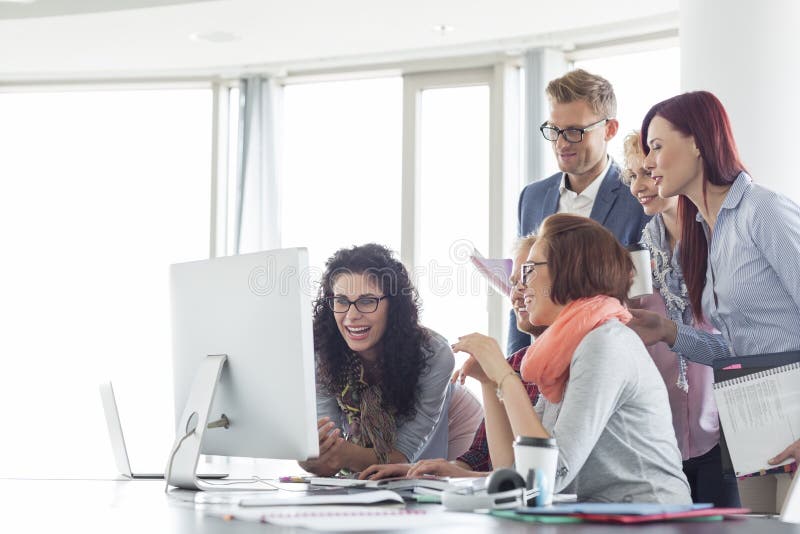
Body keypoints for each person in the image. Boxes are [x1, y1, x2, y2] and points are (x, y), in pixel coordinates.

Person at [630, 90, 800, 511]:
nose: (647, 164)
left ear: (698, 143)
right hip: (753, 415)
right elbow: (735, 349)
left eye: (655, 147)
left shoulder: (762, 210)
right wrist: (668, 332)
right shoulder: (707, 234)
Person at [455, 214, 691, 503]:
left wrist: (505, 376)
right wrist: (490, 383)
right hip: (598, 518)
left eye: (529, 270)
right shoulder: (563, 349)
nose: (521, 287)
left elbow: (548, 477)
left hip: (649, 520)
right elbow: (520, 474)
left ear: (569, 270)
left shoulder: (605, 343)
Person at [359, 235, 541, 480]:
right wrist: (425, 470)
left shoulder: (574, 362)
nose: (517, 293)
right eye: (513, 282)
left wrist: (454, 474)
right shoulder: (514, 364)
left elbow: (535, 477)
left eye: (526, 279)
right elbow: (479, 457)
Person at [622, 131, 738, 506]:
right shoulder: (636, 256)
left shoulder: (720, 242)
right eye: (631, 176)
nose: (639, 185)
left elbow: (735, 341)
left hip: (721, 429)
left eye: (646, 173)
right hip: (660, 435)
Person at [300, 244, 483, 477]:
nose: (352, 315)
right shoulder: (321, 351)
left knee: (425, 494)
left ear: (393, 306)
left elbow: (403, 455)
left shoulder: (433, 353)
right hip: (376, 450)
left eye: (367, 301)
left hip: (453, 423)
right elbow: (327, 454)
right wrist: (309, 454)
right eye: (342, 301)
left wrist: (341, 453)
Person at [510, 68, 650, 355]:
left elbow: (643, 302)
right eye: (554, 130)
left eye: (575, 132)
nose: (561, 143)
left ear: (609, 129)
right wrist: (513, 365)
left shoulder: (638, 198)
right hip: (542, 362)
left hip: (607, 357)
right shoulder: (532, 197)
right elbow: (522, 292)